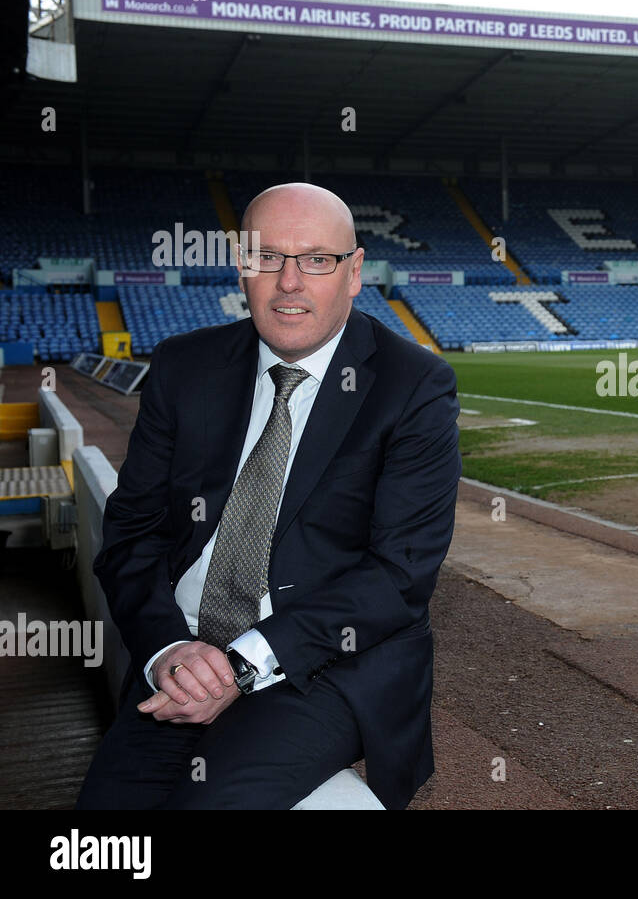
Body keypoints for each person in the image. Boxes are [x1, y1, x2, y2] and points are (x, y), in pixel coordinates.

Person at [76, 182, 460, 809]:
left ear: (355, 271)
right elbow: (132, 534)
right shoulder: (184, 367)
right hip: (184, 653)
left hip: (321, 668)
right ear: (242, 267)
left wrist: (244, 663)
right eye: (267, 257)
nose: (288, 282)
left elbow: (398, 575)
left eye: (316, 258)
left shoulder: (413, 386)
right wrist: (171, 650)